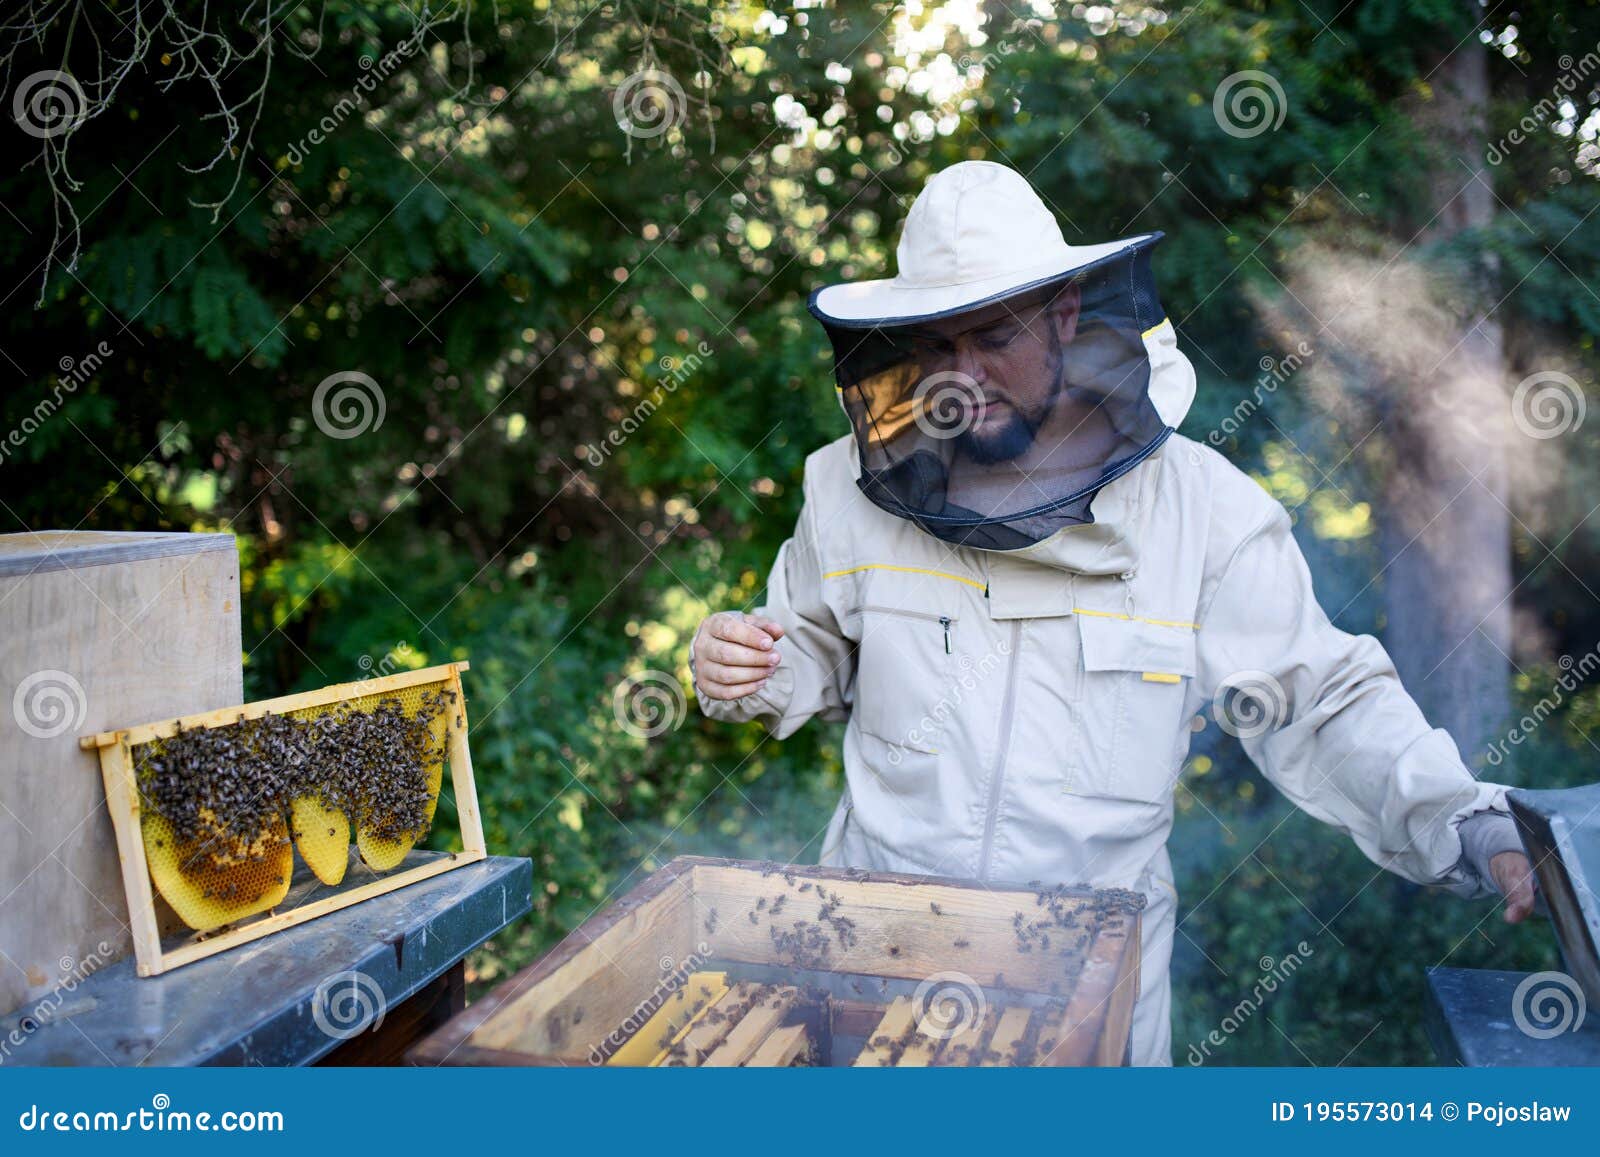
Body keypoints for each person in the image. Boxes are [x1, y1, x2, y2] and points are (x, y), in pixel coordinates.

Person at [690, 160, 1534, 1065]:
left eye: (994, 337)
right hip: (873, 982)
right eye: (936, 344)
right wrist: (752, 664)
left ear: (1063, 317)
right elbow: (811, 642)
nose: (962, 376)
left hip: (1087, 1007)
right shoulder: (847, 486)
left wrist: (1471, 824)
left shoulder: (1203, 511)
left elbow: (1322, 703)